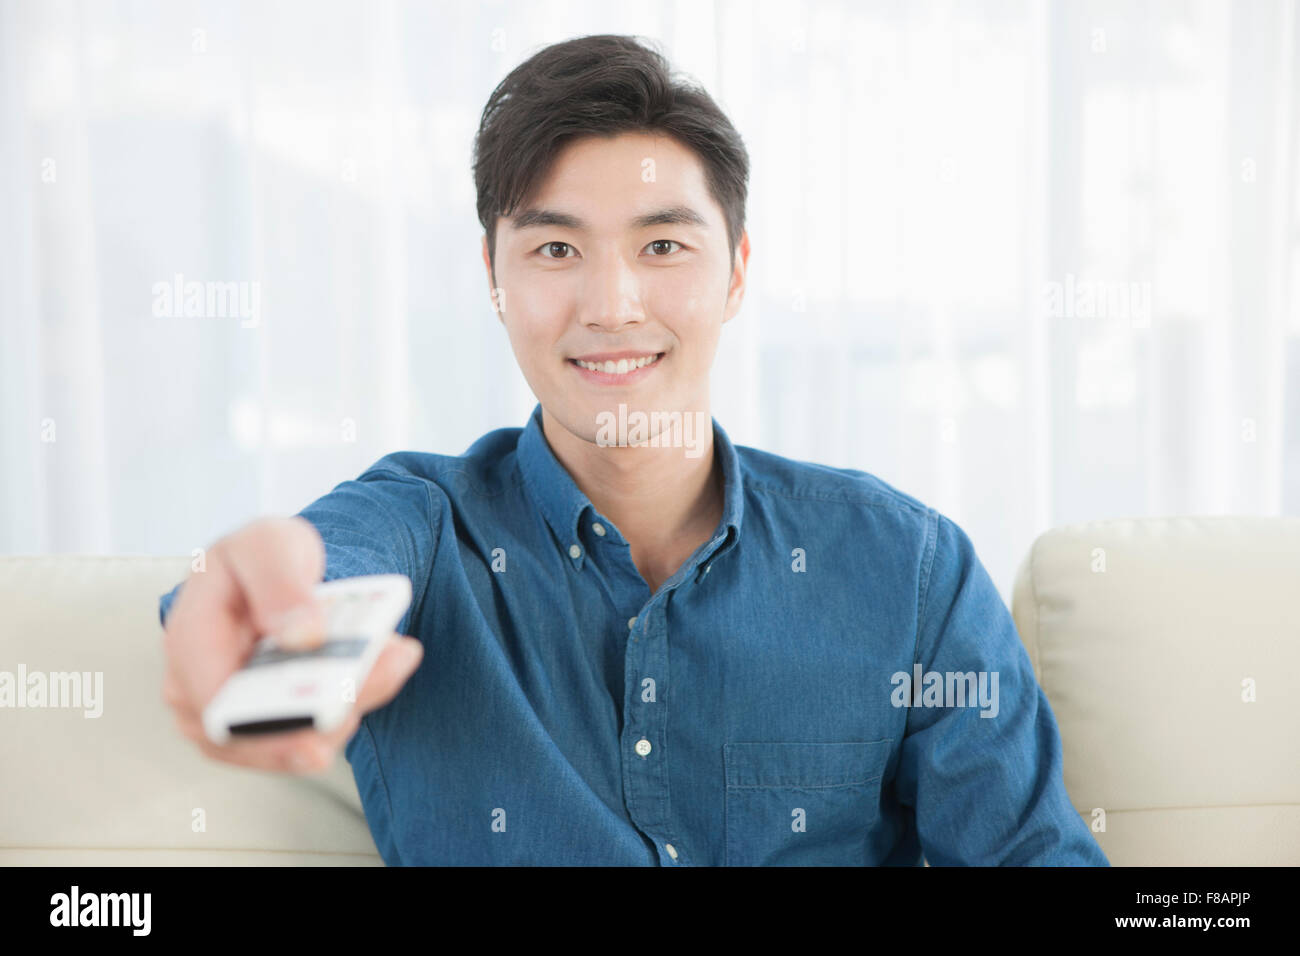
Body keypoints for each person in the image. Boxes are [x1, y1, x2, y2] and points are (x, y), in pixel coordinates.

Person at [159, 33, 1108, 866]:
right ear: (492, 274)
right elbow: (310, 573)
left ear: (736, 272)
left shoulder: (906, 568)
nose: (612, 306)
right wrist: (249, 607)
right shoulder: (422, 528)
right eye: (556, 251)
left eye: (662, 248)